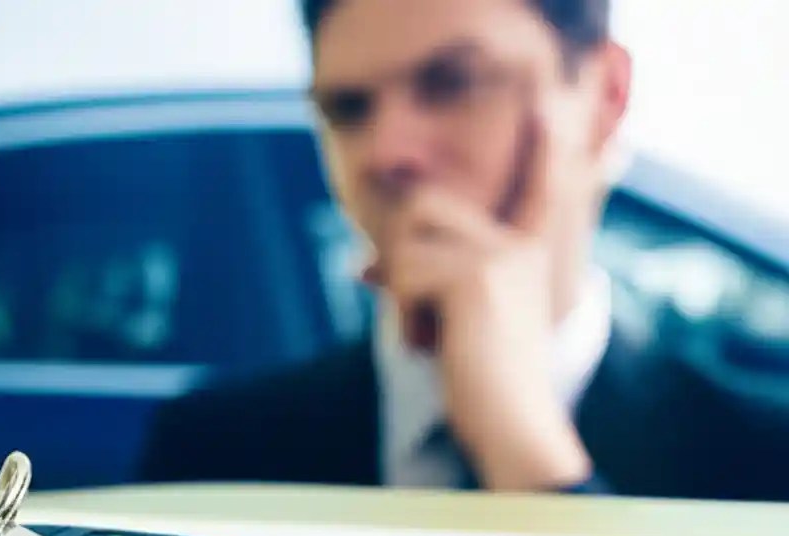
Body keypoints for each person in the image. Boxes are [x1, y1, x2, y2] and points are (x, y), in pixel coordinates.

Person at [137, 0, 789, 500]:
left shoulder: (763, 461)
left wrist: (526, 450)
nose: (385, 152)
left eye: (454, 82)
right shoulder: (211, 452)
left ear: (606, 96)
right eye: (348, 107)